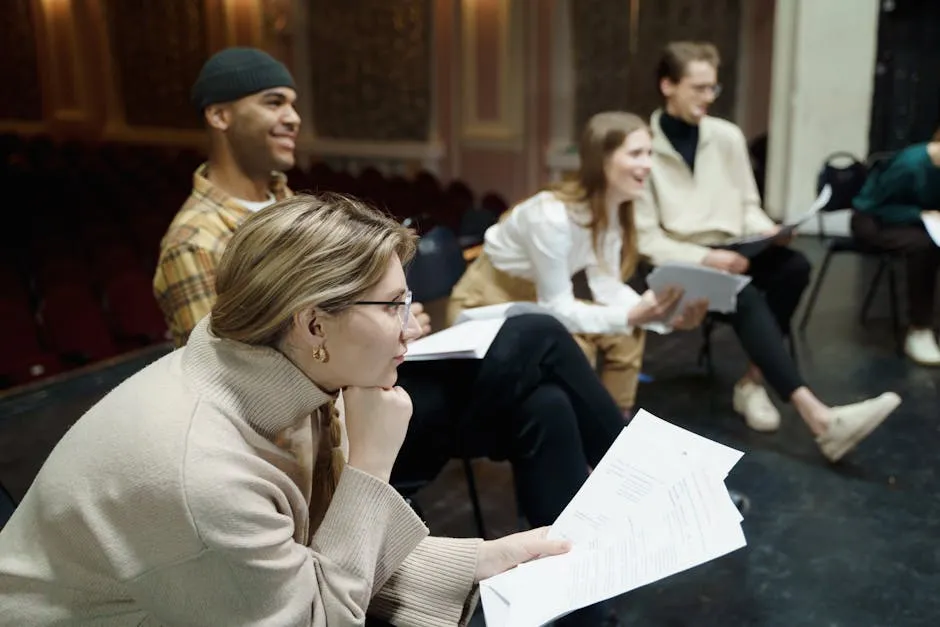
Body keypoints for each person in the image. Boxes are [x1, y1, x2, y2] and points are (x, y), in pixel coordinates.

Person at [153, 47, 633, 625]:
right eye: (273, 102)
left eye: (295, 104)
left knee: (548, 405)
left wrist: (389, 320)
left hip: (370, 385)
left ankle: (581, 597)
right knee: (536, 331)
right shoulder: (196, 242)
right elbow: (233, 390)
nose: (294, 118)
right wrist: (373, 339)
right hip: (332, 430)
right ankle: (634, 481)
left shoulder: (291, 203)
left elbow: (331, 321)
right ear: (220, 116)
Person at [0, 194, 574, 625]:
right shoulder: (203, 470)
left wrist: (483, 558)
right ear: (314, 323)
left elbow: (315, 567)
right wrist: (370, 467)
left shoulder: (293, 377)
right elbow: (316, 614)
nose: (410, 327)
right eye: (394, 305)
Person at [632, 40, 901, 462]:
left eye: (713, 89)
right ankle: (820, 420)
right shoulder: (642, 149)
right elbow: (647, 240)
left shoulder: (726, 137)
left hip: (735, 247)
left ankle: (753, 381)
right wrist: (707, 258)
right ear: (668, 85)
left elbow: (747, 207)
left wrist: (769, 230)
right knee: (745, 291)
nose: (708, 98)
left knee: (793, 266)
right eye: (698, 88)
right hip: (681, 261)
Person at [448, 111, 710, 413]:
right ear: (602, 159)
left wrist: (660, 314)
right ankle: (580, 442)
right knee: (578, 349)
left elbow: (606, 286)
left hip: (536, 302)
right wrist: (633, 316)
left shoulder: (612, 209)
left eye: (650, 153)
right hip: (487, 304)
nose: (648, 164)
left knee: (627, 334)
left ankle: (612, 431)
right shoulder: (551, 216)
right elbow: (557, 309)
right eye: (636, 153)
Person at [852, 132, 940, 365]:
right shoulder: (910, 165)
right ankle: (919, 328)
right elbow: (875, 206)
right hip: (874, 219)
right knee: (924, 247)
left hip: (919, 220)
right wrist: (918, 214)